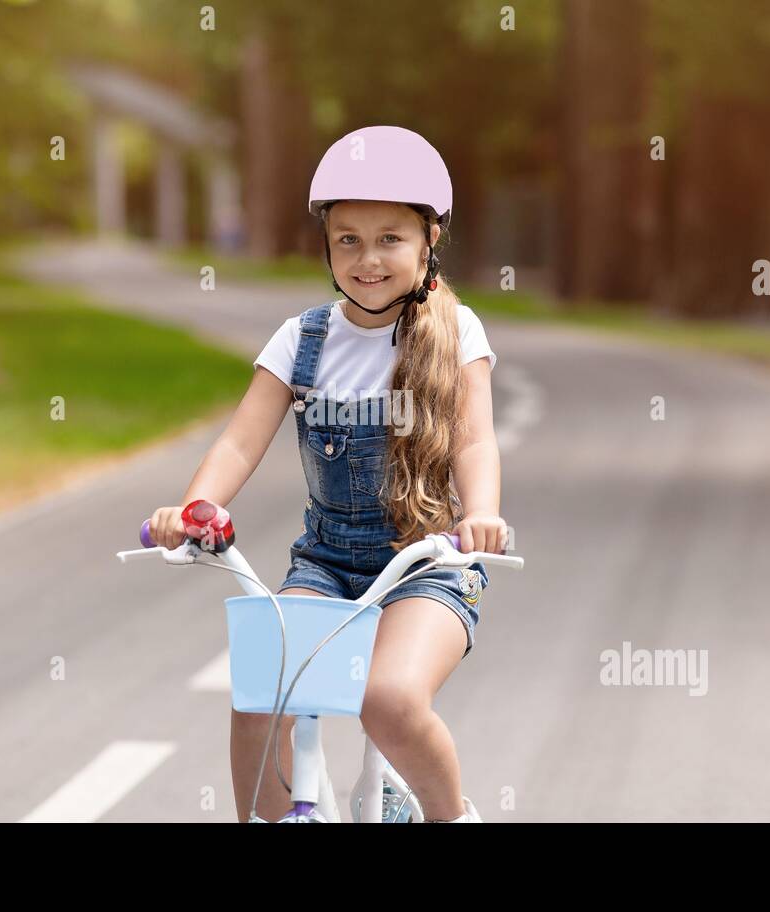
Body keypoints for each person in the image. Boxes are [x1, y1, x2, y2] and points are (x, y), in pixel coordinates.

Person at [147, 125, 508, 823]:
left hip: (429, 562)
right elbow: (239, 445)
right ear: (326, 244)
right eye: (348, 239)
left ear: (429, 240)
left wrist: (481, 515)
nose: (368, 259)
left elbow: (474, 443)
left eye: (389, 239)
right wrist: (193, 509)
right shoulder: (301, 340)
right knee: (260, 693)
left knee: (389, 700)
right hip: (326, 562)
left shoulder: (457, 333)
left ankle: (449, 817)